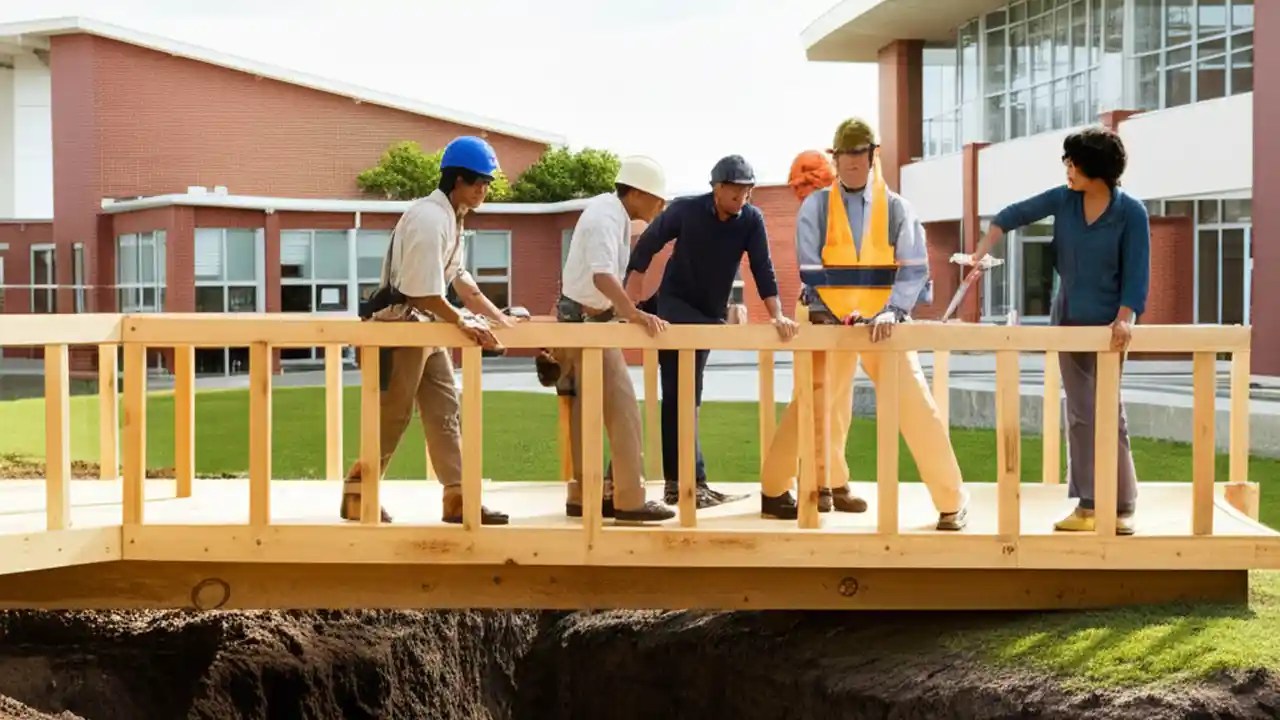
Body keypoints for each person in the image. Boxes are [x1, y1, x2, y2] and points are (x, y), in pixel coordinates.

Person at [758, 119, 969, 531]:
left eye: (859, 154)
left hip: (883, 324)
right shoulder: (815, 207)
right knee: (816, 404)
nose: (852, 163)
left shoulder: (897, 208)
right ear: (835, 159)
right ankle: (777, 487)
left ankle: (951, 501)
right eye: (844, 155)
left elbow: (913, 269)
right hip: (826, 319)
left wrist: (893, 310)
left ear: (873, 155)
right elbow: (809, 267)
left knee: (916, 406)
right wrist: (829, 312)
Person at [966, 126, 1149, 535]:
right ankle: (1089, 505)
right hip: (1067, 321)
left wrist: (1126, 320)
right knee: (1082, 412)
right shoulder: (1063, 201)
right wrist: (980, 253)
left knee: (1109, 414)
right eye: (1066, 161)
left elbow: (1137, 275)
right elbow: (1007, 217)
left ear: (1096, 167)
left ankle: (1121, 505)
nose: (1067, 168)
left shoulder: (1131, 213)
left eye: (1074, 161)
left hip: (1110, 329)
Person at [341, 135, 519, 526]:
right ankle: (357, 495)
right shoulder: (429, 218)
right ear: (457, 181)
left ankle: (457, 498)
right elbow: (420, 291)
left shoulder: (452, 218)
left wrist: (499, 319)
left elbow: (459, 279)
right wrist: (461, 320)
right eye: (479, 183)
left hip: (426, 328)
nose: (484, 190)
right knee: (393, 416)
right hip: (398, 327)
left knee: (445, 411)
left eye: (486, 183)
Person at [625, 155, 800, 508]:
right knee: (679, 394)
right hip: (674, 306)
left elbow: (762, 267)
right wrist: (631, 303)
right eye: (735, 193)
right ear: (717, 188)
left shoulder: (751, 219)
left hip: (708, 313)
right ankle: (686, 483)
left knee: (687, 395)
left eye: (747, 193)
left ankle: (686, 483)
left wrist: (777, 315)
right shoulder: (686, 210)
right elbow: (647, 245)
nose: (741, 200)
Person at [552, 156, 676, 523]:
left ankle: (583, 494)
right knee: (623, 411)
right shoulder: (606, 217)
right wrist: (634, 313)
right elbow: (602, 277)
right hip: (588, 325)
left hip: (580, 320)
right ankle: (629, 499)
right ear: (636, 192)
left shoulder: (608, 213)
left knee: (583, 412)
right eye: (657, 197)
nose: (661, 205)